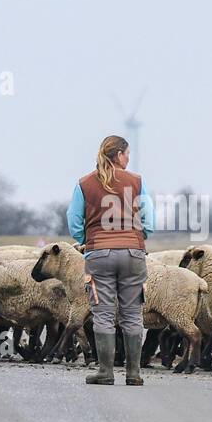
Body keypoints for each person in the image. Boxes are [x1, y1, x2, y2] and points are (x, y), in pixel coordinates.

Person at [66, 135, 155, 385]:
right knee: (132, 313)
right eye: (127, 154)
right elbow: (150, 220)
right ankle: (134, 373)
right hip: (133, 254)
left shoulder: (84, 184)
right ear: (118, 155)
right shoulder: (137, 182)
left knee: (103, 313)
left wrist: (88, 239)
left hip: (99, 255)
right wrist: (138, 236)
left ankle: (105, 372)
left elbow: (73, 220)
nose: (129, 159)